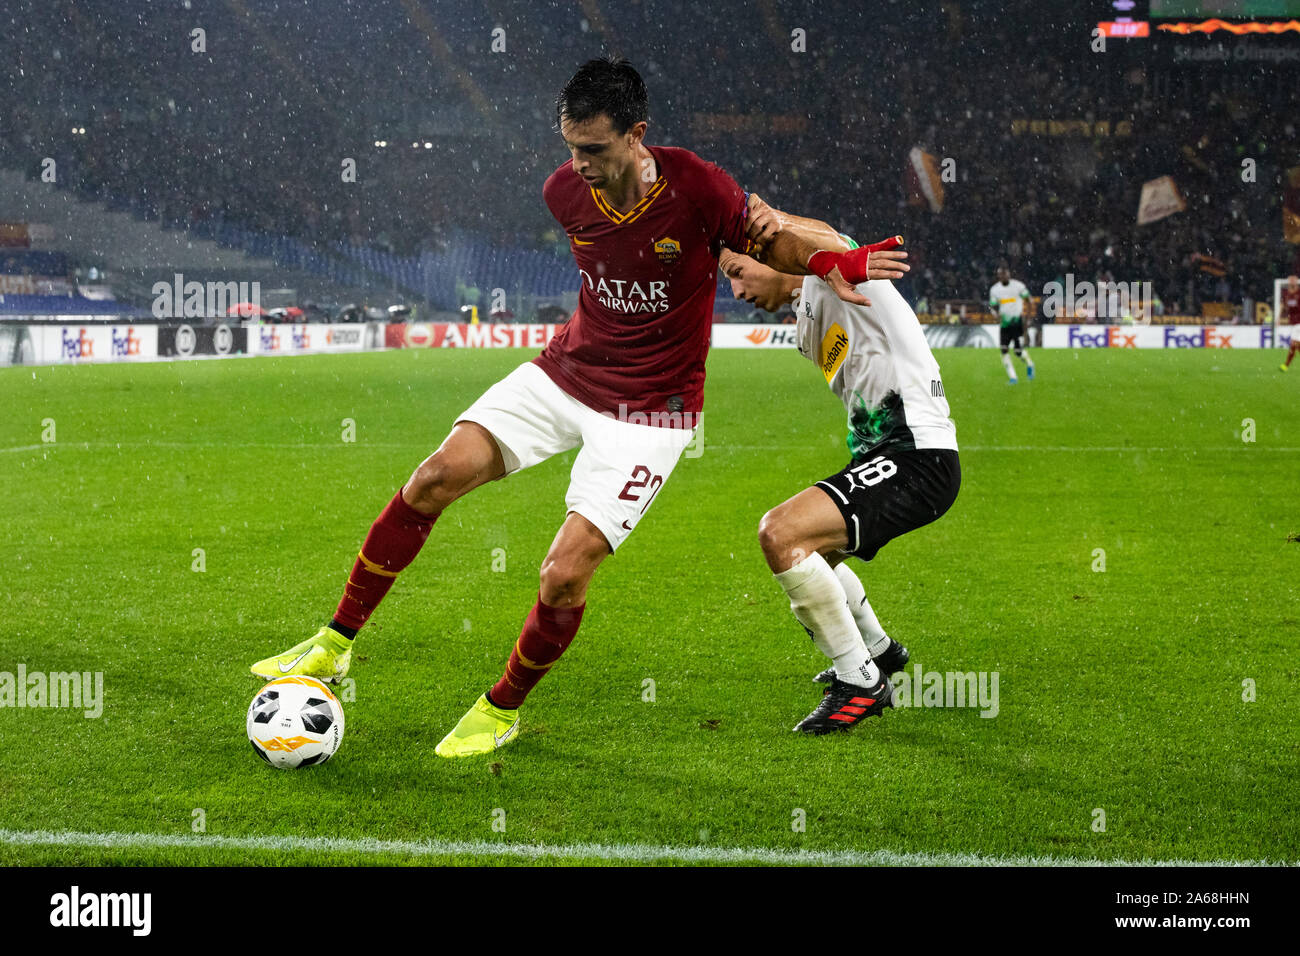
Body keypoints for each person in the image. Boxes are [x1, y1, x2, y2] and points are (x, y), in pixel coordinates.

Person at [249, 56, 907, 757]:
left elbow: (773, 237)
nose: (579, 164)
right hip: (567, 372)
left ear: (636, 135)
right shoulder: (563, 191)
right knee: (433, 477)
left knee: (563, 573)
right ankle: (335, 642)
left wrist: (835, 260)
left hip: (652, 411)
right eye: (570, 147)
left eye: (593, 149)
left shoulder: (698, 187)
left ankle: (501, 708)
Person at [721, 238, 959, 734]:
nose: (736, 290)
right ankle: (878, 651)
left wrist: (753, 217)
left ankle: (860, 683)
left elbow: (817, 239)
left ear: (767, 252)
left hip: (918, 456)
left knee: (781, 534)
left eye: (737, 271)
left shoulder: (838, 276)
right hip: (888, 456)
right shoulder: (806, 318)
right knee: (813, 561)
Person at [988, 265, 1035, 383]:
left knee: (1018, 352)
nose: (1003, 276)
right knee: (1004, 350)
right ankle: (1013, 378)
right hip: (1004, 324)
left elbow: (1029, 300)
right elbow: (992, 306)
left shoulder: (1018, 286)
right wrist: (995, 314)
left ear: (1009, 274)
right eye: (1001, 274)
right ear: (998, 276)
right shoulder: (994, 290)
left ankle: (1030, 363)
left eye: (1005, 273)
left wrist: (1028, 318)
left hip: (1017, 322)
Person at [1279, 275, 1300, 371]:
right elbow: (1282, 305)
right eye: (1290, 281)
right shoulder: (1286, 294)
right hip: (1293, 322)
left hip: (1299, 322)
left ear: (1296, 282)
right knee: (1297, 345)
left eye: (1293, 281)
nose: (1291, 283)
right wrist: (1279, 317)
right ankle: (1286, 365)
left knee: (1293, 343)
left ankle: (1286, 365)